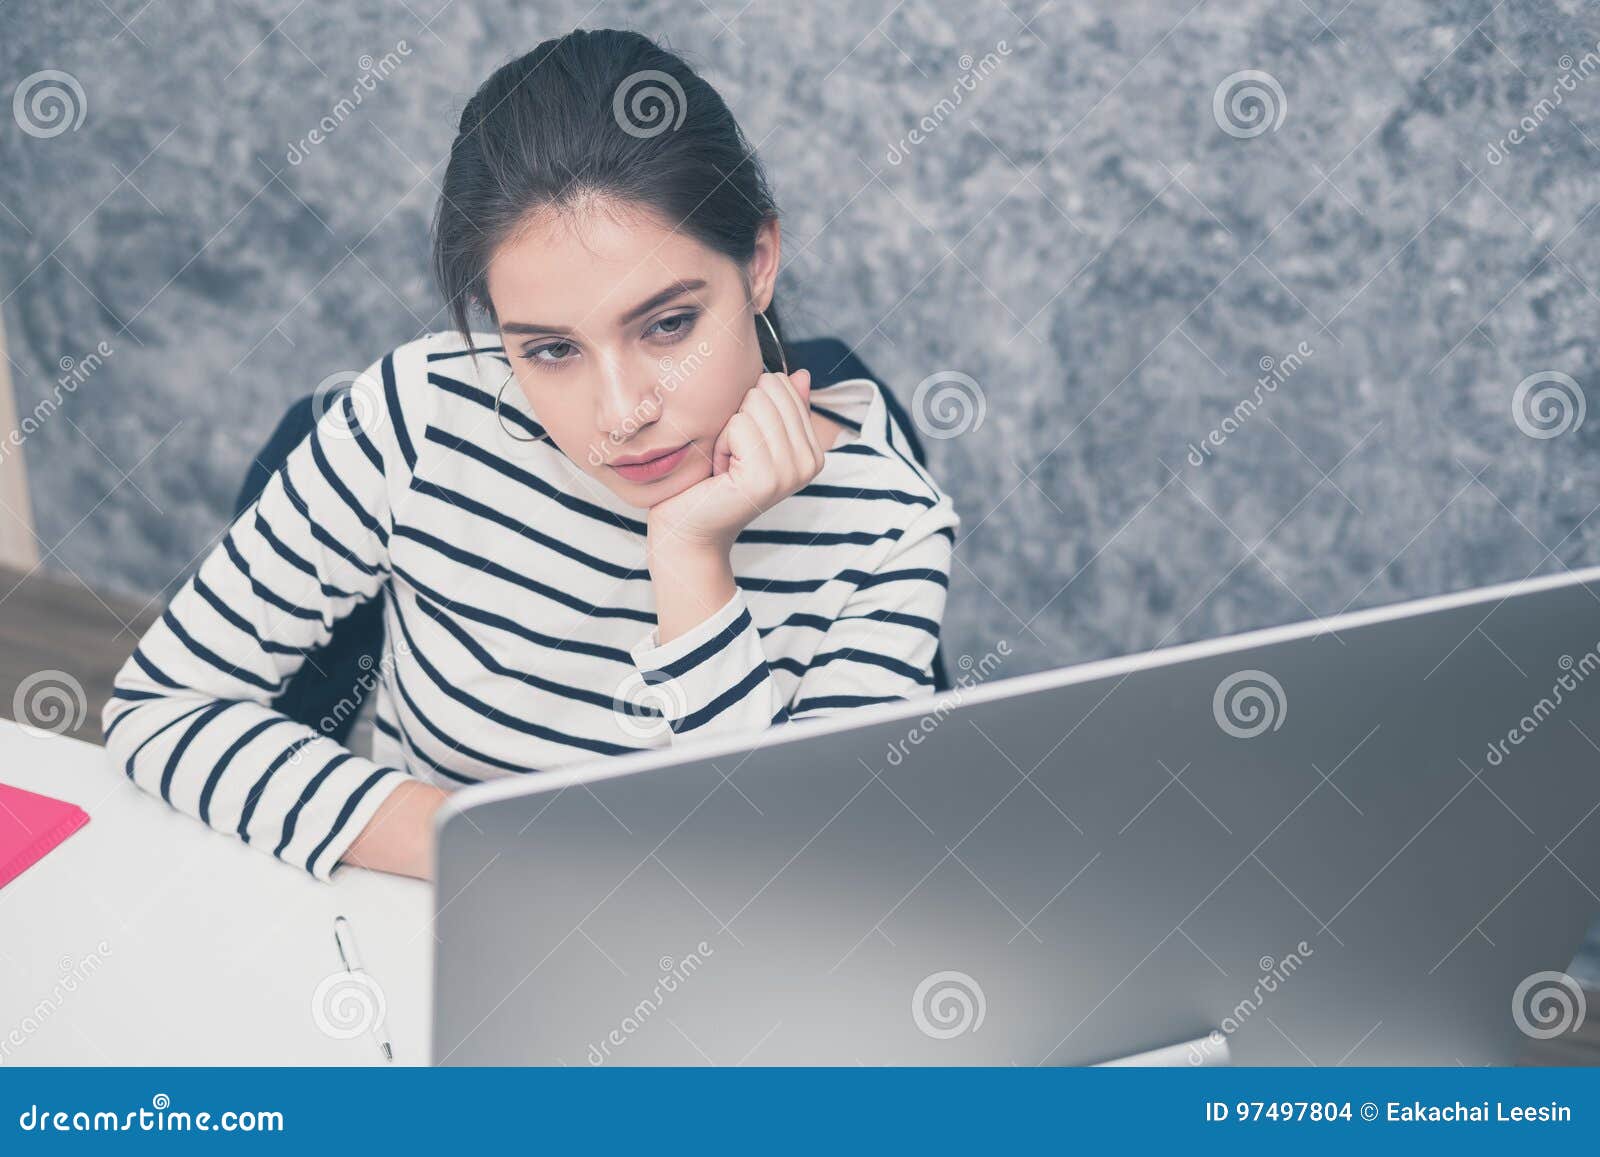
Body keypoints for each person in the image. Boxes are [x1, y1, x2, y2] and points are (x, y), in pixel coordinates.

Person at [101, 28, 959, 883]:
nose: (623, 415)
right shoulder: (422, 414)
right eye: (550, 349)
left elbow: (808, 891)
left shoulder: (891, 531)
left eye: (668, 325)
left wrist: (692, 561)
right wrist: (498, 852)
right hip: (442, 949)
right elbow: (160, 710)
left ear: (759, 263)